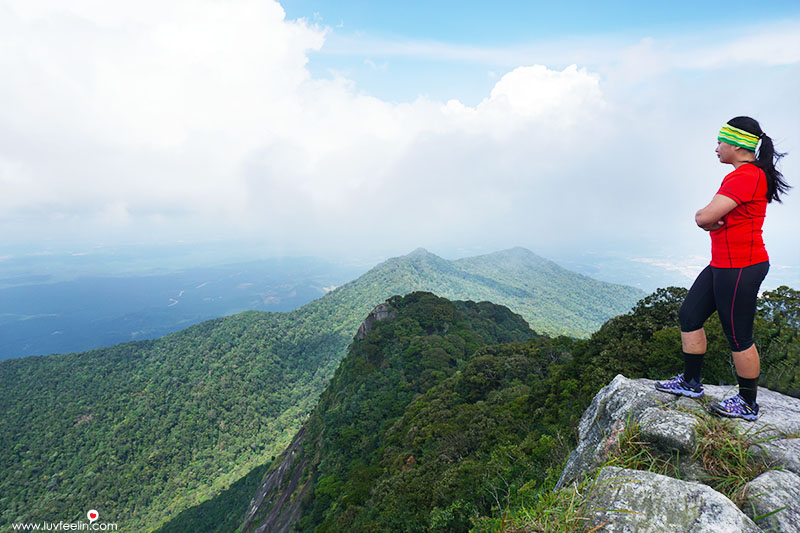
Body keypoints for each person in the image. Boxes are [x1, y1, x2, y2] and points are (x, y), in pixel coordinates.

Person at [655, 116, 789, 421]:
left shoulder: (745, 176)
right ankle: (691, 383)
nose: (716, 148)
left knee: (739, 335)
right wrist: (710, 220)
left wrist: (704, 217)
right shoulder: (745, 175)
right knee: (689, 315)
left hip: (742, 265)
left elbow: (705, 217)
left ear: (737, 143)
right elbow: (713, 219)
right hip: (723, 263)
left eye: (720, 142)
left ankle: (747, 402)